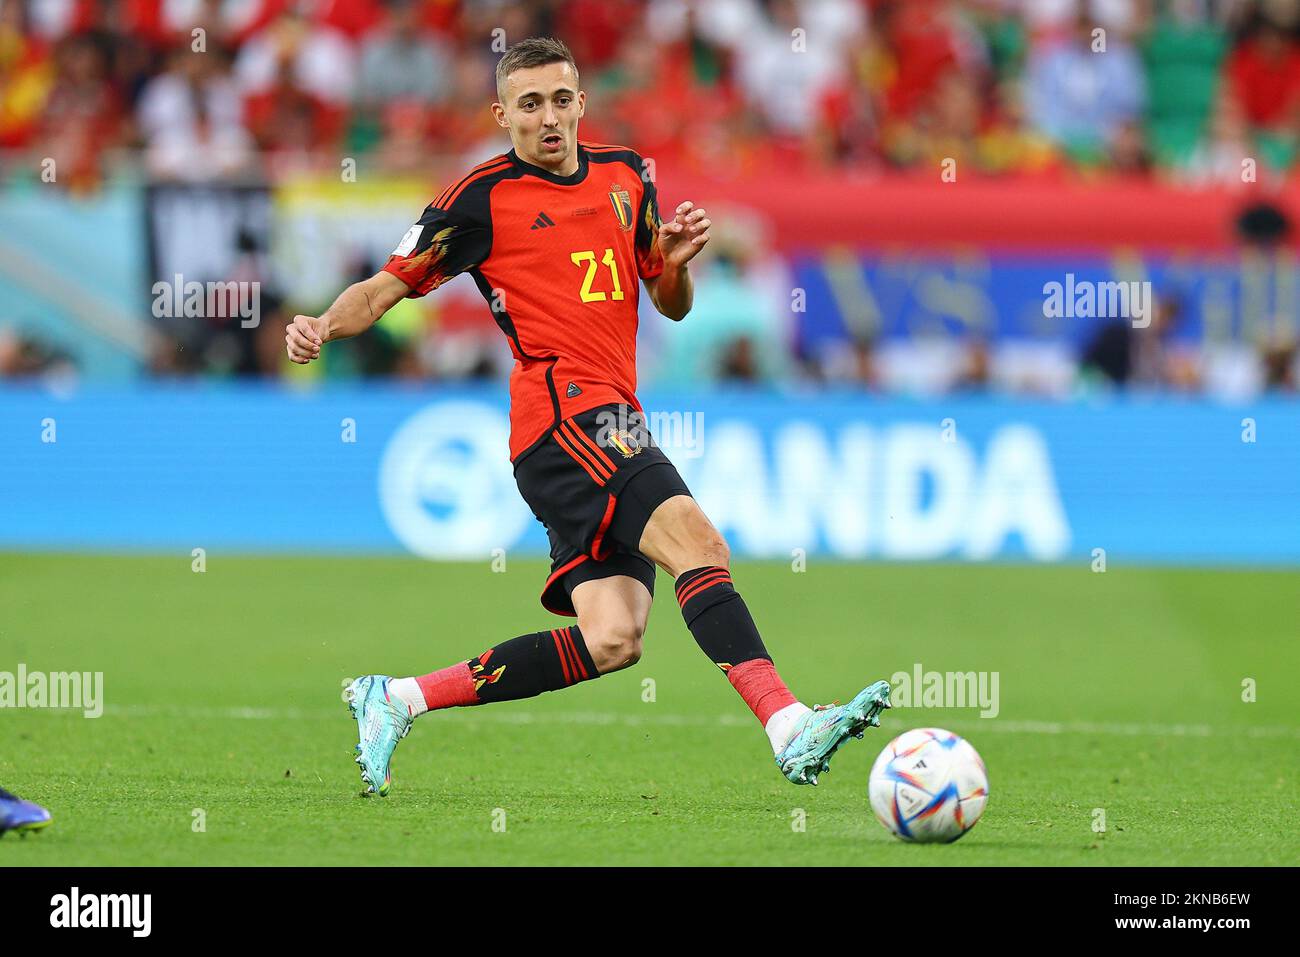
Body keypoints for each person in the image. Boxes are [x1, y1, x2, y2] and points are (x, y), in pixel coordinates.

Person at [285, 37, 890, 797]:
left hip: (606, 415)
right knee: (699, 541)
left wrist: (672, 263)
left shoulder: (627, 176)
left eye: (561, 100)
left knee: (614, 637)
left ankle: (398, 697)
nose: (549, 118)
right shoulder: (477, 199)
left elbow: (668, 305)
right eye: (530, 104)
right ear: (502, 114)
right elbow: (382, 289)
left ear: (581, 104)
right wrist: (320, 325)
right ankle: (788, 723)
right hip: (566, 411)